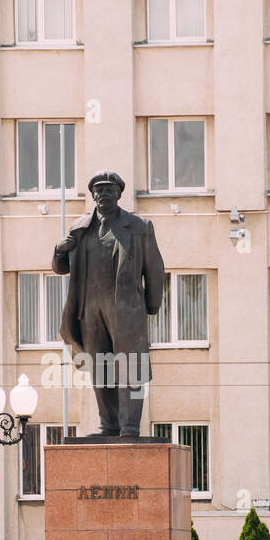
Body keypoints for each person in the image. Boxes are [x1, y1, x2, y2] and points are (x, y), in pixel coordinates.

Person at [52, 171, 166, 436]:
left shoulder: (139, 227)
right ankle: (109, 423)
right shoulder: (80, 229)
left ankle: (129, 425)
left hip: (126, 309)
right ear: (92, 195)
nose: (104, 194)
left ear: (119, 194)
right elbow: (62, 268)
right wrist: (59, 250)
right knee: (99, 365)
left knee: (130, 366)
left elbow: (155, 268)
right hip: (90, 308)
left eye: (109, 190)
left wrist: (152, 304)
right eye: (99, 190)